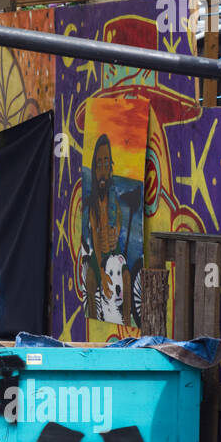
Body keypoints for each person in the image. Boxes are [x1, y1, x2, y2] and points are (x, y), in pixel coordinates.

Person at [81, 133, 133, 325]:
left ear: (110, 167)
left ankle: (126, 321)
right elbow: (95, 239)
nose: (102, 170)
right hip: (99, 256)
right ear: (94, 170)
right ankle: (95, 323)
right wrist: (102, 272)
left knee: (126, 278)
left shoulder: (113, 199)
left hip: (114, 251)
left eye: (106, 164)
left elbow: (119, 217)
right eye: (98, 165)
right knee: (90, 280)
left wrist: (116, 230)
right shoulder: (93, 205)